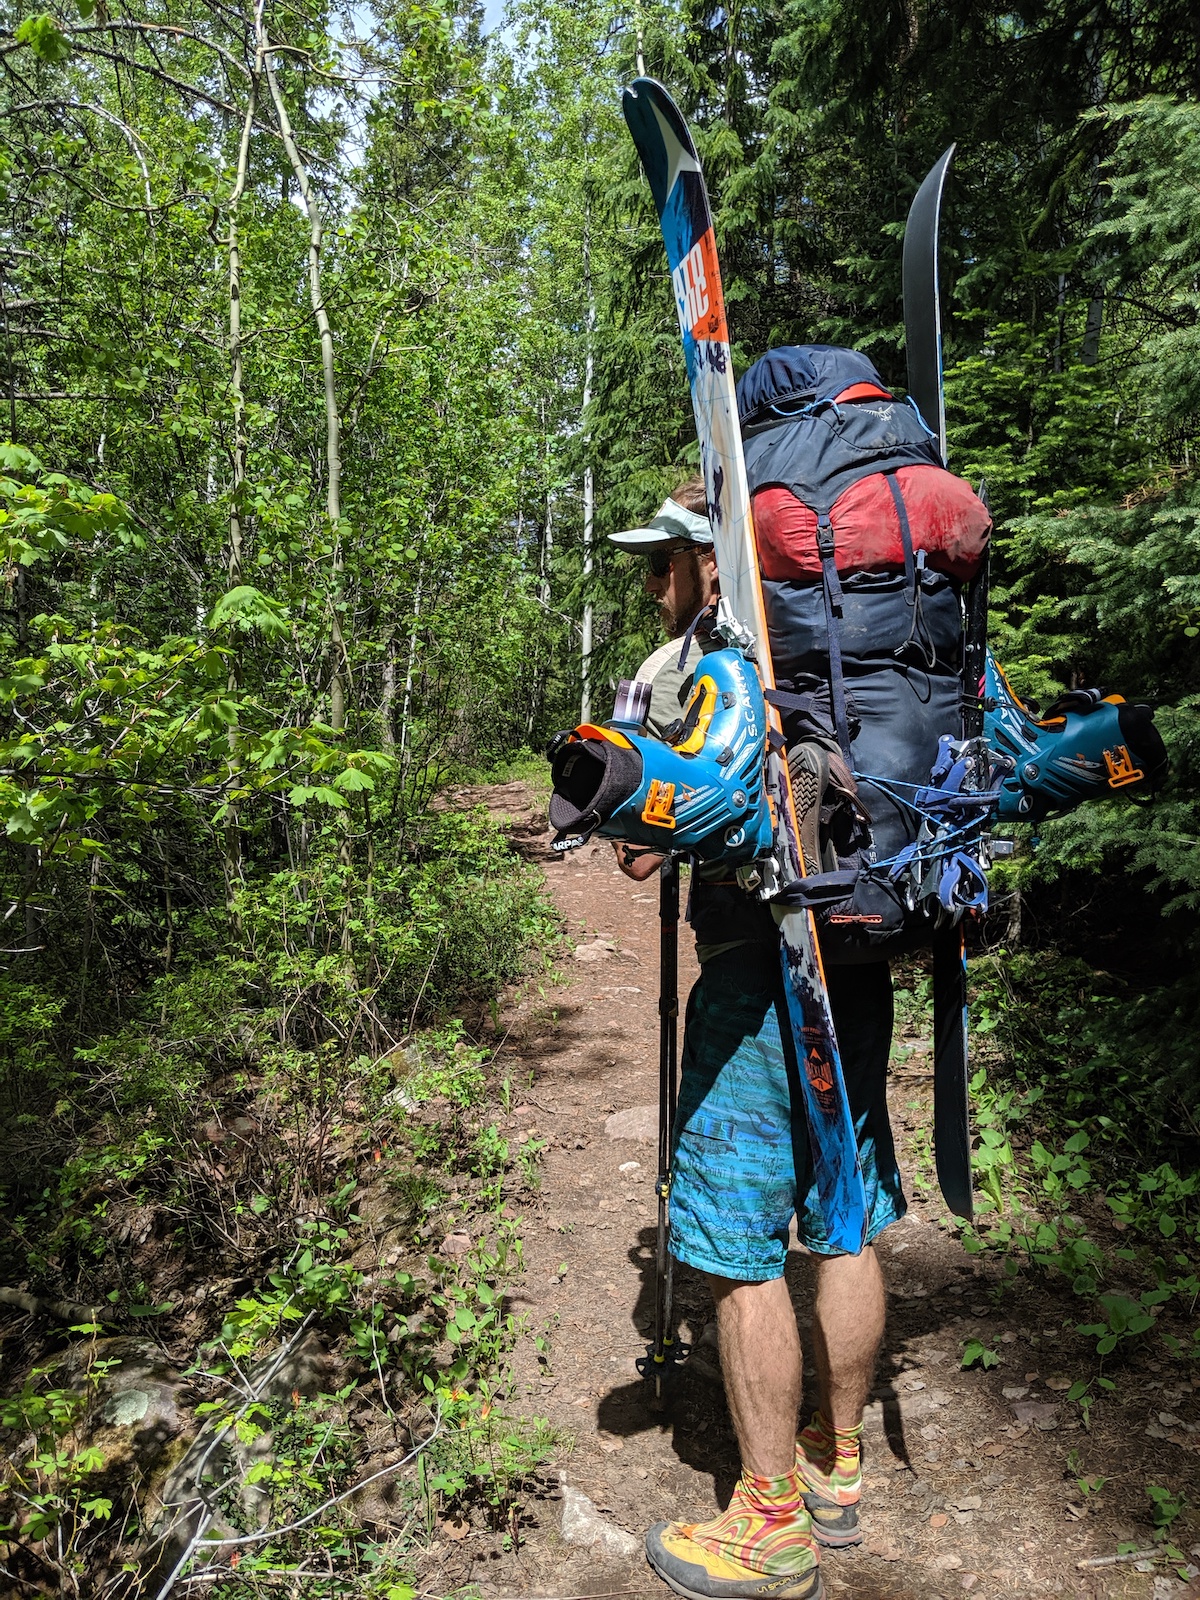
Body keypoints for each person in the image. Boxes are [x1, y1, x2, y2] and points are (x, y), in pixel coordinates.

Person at [607, 479, 905, 1600]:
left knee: (735, 1251)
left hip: (751, 974)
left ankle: (769, 1523)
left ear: (709, 564)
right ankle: (840, 1467)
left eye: (664, 560)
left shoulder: (684, 666)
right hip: (860, 951)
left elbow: (641, 850)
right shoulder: (848, 644)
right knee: (844, 1215)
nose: (651, 581)